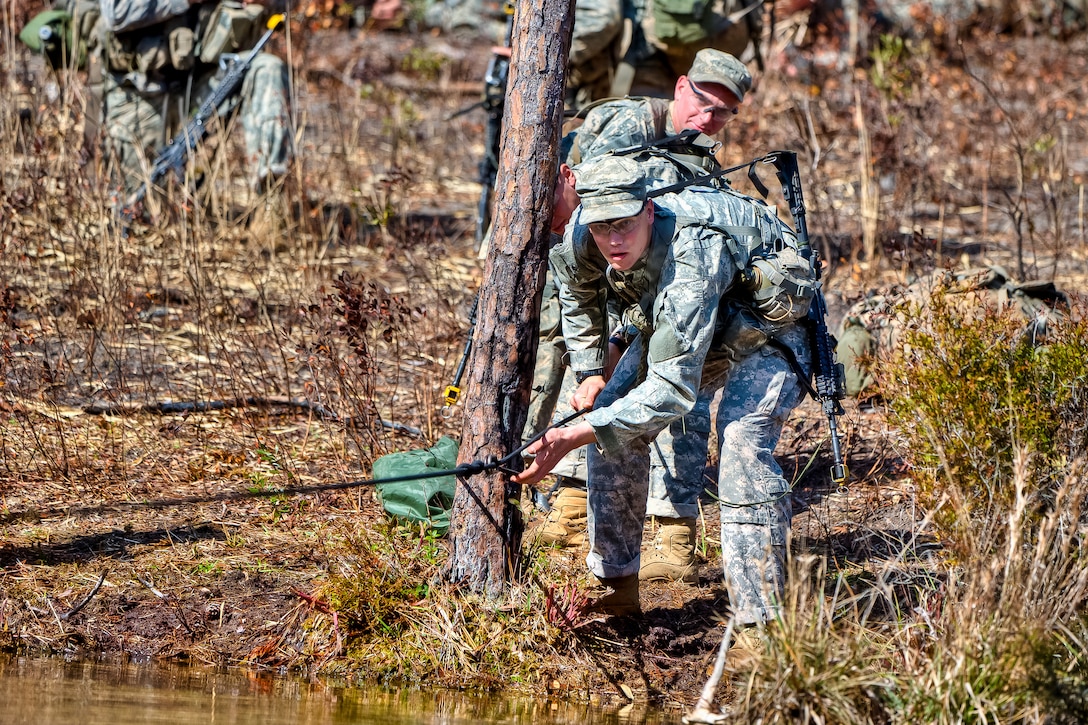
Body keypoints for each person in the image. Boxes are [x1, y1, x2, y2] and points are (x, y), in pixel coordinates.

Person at [514, 154, 812, 633]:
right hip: (683, 319)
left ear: (648, 211)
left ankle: (761, 629)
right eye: (601, 227)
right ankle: (616, 590)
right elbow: (577, 295)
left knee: (740, 447)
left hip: (768, 327)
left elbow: (674, 390)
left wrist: (573, 435)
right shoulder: (581, 233)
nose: (613, 240)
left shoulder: (692, 252)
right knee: (611, 414)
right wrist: (592, 371)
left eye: (625, 225)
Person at [528, 49, 752, 587]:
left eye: (723, 113)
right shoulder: (626, 127)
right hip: (612, 277)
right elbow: (593, 215)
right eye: (702, 102)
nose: (708, 118)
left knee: (679, 387)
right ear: (681, 88)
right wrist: (596, 359)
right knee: (590, 382)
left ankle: (674, 530)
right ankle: (572, 505)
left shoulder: (701, 155)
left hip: (679, 284)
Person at [96, 0, 292, 211]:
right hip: (139, 92)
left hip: (204, 78)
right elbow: (114, 12)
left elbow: (284, 6)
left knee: (267, 69)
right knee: (141, 210)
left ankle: (271, 202)